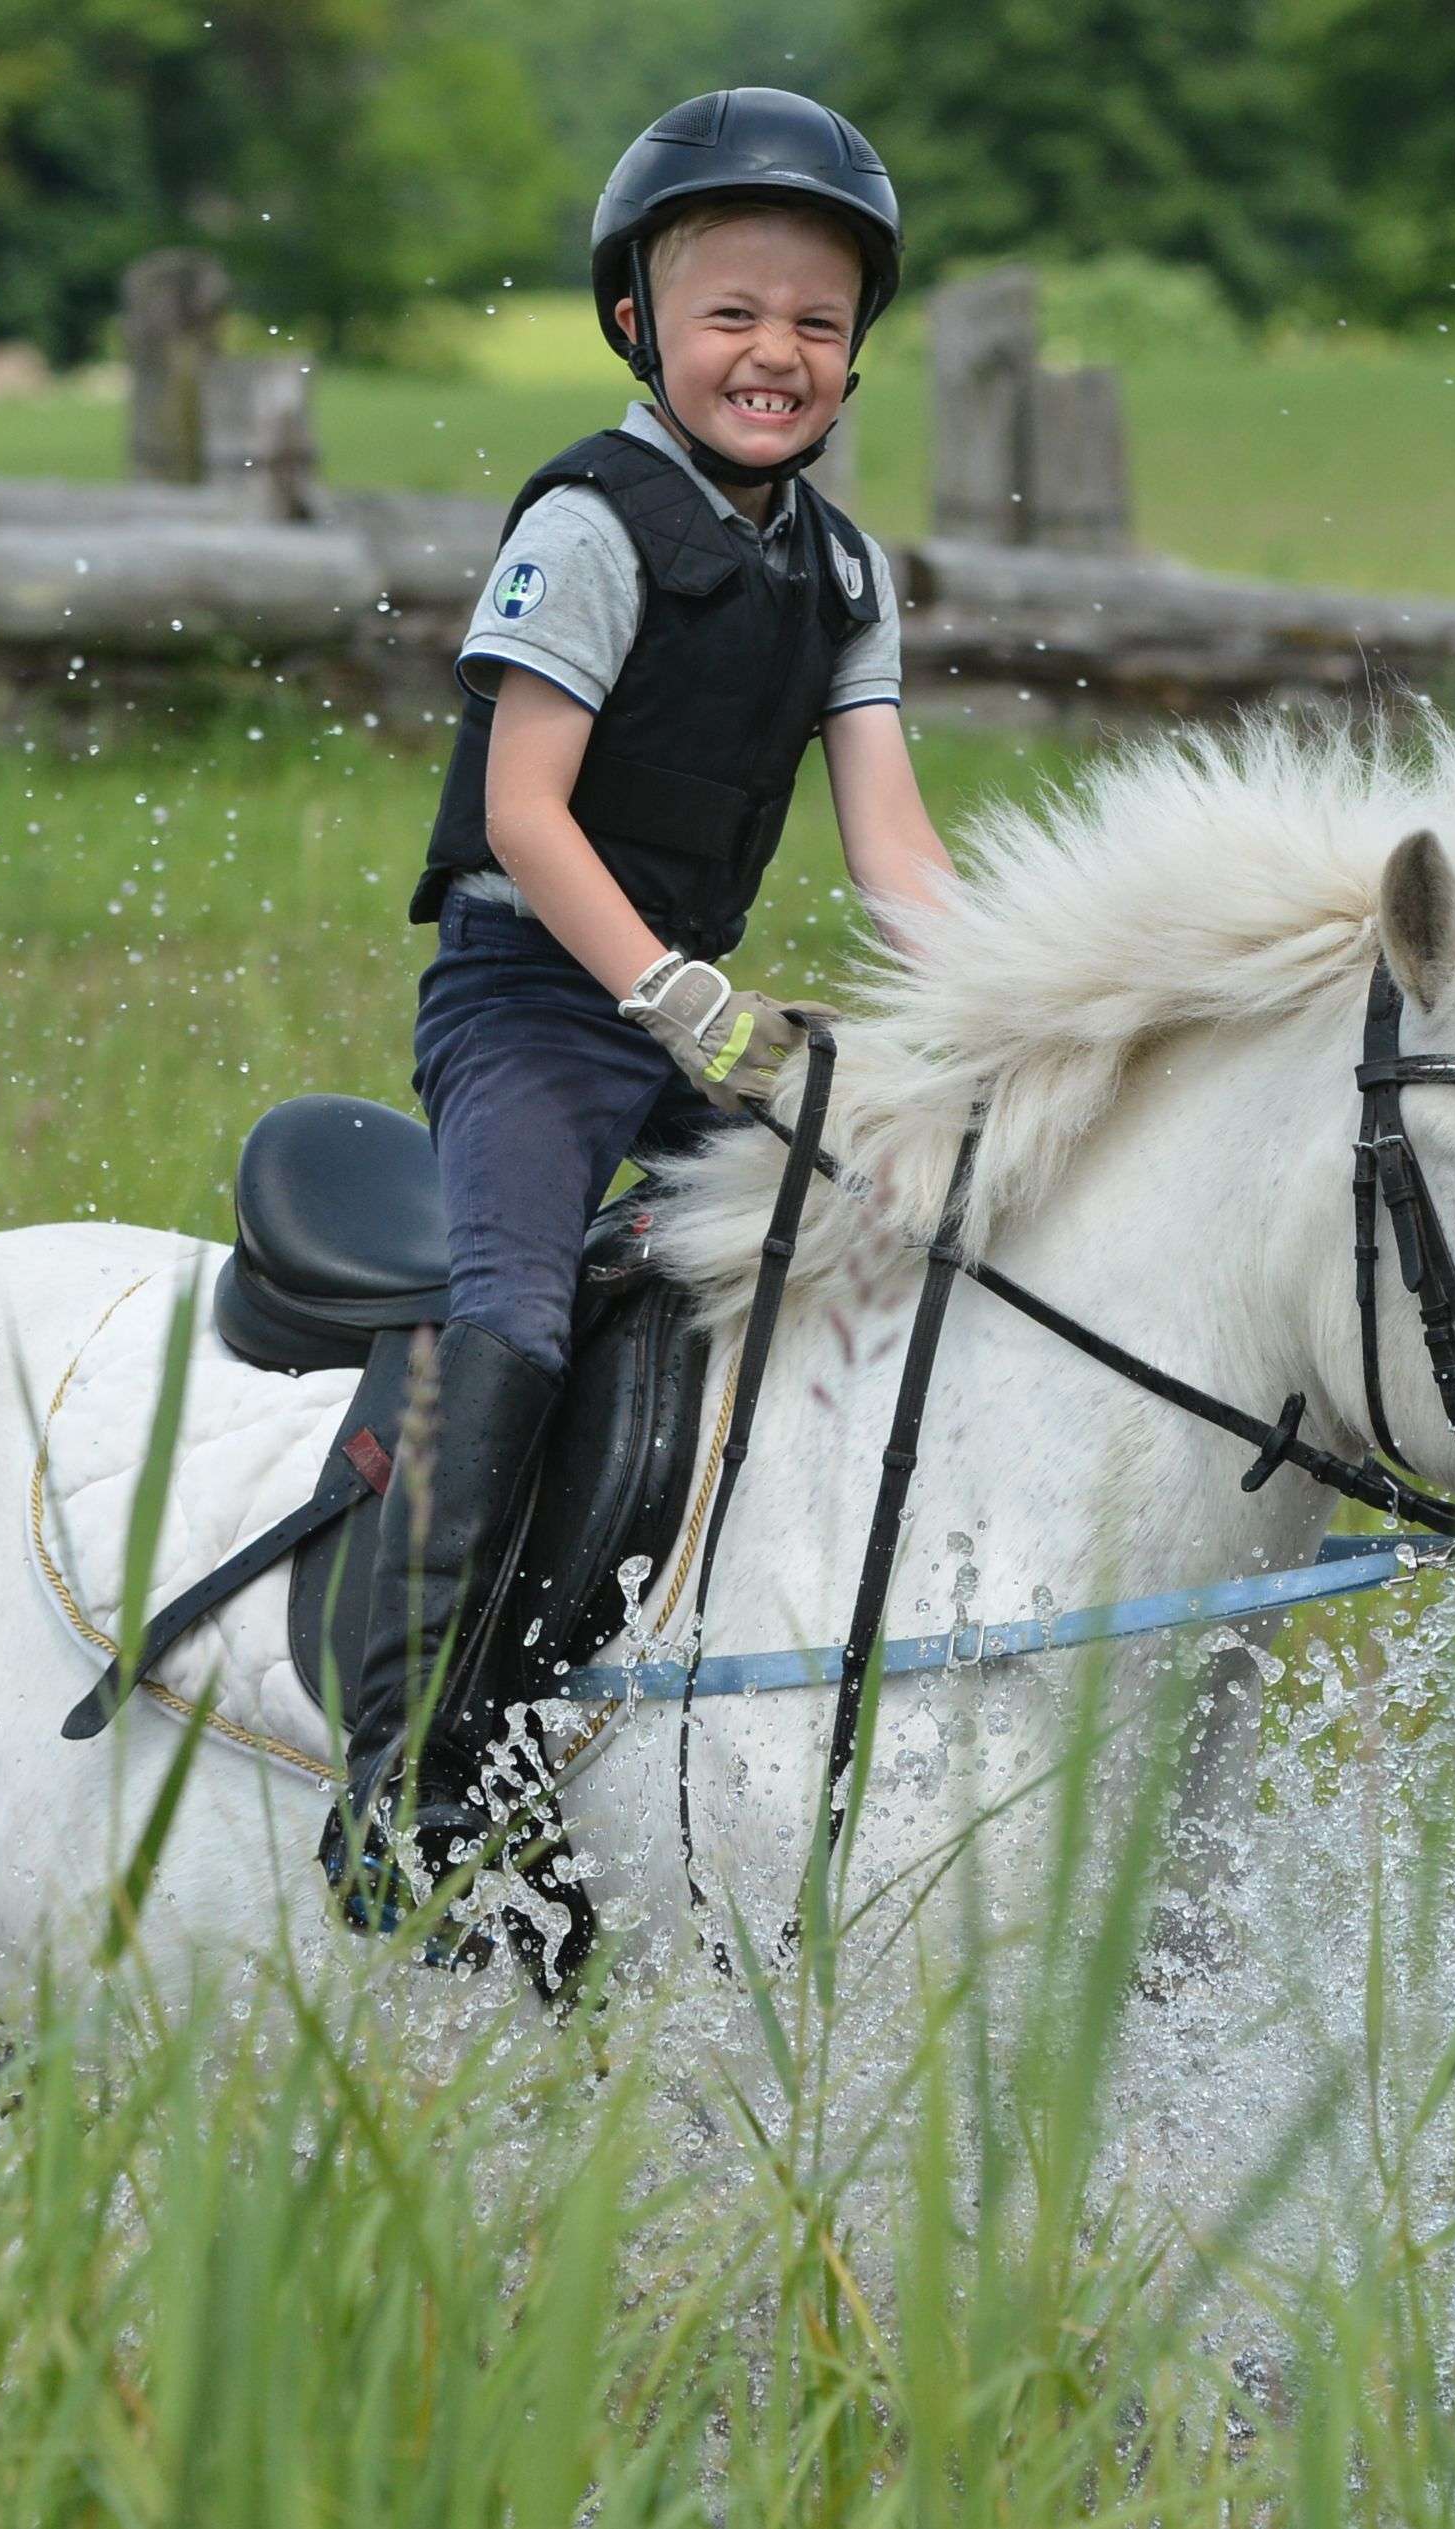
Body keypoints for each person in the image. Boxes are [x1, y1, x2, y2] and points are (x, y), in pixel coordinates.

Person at [304, 86, 959, 1925]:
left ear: (856, 354)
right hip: (539, 995)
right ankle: (406, 1768)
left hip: (699, 1013)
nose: (776, 353)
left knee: (888, 1252)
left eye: (817, 324)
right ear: (636, 327)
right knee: (511, 1306)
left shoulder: (842, 569)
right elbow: (525, 804)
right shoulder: (592, 524)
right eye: (732, 313)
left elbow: (893, 838)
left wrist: (1000, 1011)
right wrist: (681, 999)